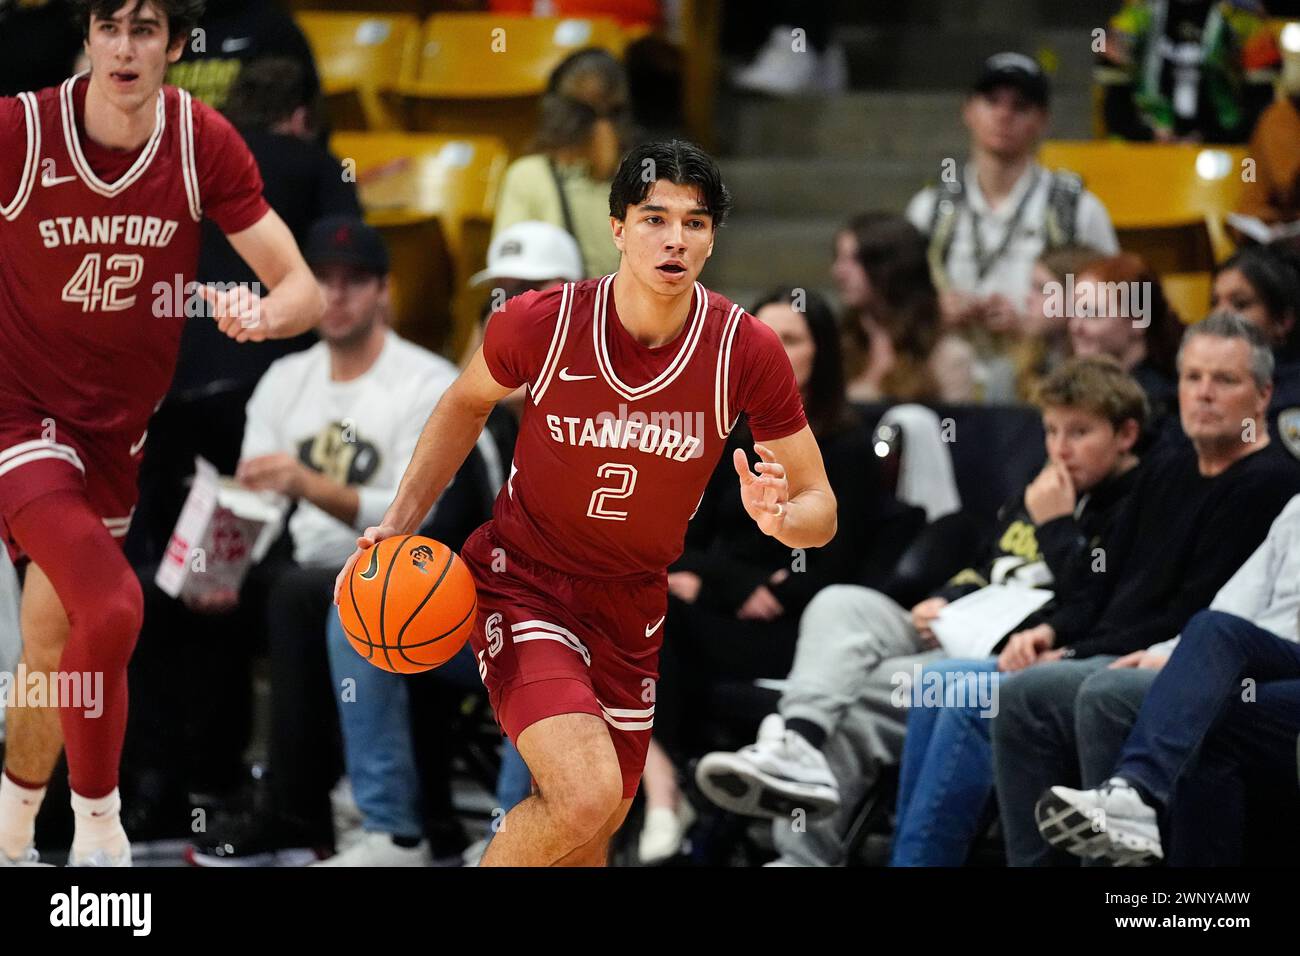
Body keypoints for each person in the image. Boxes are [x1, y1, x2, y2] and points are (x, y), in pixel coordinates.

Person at [334, 140, 839, 867]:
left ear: (712, 238)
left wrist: (785, 519)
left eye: (694, 223)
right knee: (584, 794)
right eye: (655, 218)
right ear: (617, 228)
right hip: (523, 582)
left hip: (632, 605)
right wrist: (401, 522)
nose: (674, 238)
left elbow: (822, 506)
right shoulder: (545, 320)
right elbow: (462, 403)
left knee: (588, 837)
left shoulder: (745, 350)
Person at [0, 0, 323, 868]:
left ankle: (9, 834)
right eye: (110, 26)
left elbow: (304, 290)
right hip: (20, 416)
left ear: (178, 46)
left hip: (117, 436)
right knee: (114, 604)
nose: (124, 47)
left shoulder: (199, 139)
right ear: (87, 36)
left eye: (146, 30)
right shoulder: (20, 133)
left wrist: (264, 314)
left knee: (51, 644)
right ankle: (101, 834)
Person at [695, 356, 1146, 867]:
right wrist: (946, 600)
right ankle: (796, 744)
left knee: (852, 701)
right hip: (957, 629)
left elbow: (1099, 605)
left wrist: (1058, 526)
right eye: (1050, 430)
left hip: (1005, 657)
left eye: (1079, 432)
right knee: (841, 604)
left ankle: (802, 851)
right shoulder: (1042, 488)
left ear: (1126, 434)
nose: (1059, 448)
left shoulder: (1134, 505)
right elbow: (985, 567)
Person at [181, 216, 461, 866]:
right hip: (298, 563)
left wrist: (309, 483)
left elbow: (421, 513)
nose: (335, 297)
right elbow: (253, 500)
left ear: (384, 291)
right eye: (323, 283)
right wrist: (209, 569)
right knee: (169, 597)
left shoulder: (425, 381)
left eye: (353, 282)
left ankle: (297, 809)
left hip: (399, 569)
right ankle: (190, 792)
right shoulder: (285, 379)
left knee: (301, 595)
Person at [979, 314, 1300, 868]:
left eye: (1223, 380)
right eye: (1192, 377)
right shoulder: (1169, 468)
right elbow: (1111, 586)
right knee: (1018, 693)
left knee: (1103, 691)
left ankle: (1131, 824)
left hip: (1250, 665)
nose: (1202, 394)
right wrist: (1057, 633)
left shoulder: (1270, 482)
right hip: (1178, 650)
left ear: (1264, 394)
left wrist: (1164, 659)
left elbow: (1200, 613)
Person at [640, 286, 918, 864]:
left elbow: (836, 569)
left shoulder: (845, 448)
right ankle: (662, 789)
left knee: (645, 621)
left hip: (793, 630)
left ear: (823, 356)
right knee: (628, 611)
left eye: (789, 340)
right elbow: (671, 542)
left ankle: (666, 797)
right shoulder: (722, 435)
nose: (770, 352)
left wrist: (722, 583)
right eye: (758, 340)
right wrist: (728, 583)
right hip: (720, 610)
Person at [1026, 492, 1300, 866]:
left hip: (1281, 657)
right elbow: (1234, 605)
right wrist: (1175, 655)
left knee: (1203, 667)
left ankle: (1137, 794)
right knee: (1213, 709)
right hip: (1268, 657)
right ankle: (1136, 804)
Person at [907, 53, 1119, 335]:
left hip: (1045, 369)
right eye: (991, 101)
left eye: (1020, 106)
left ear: (1042, 120)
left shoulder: (1077, 209)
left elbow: (1119, 305)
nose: (1003, 115)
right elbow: (899, 303)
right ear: (968, 110)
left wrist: (1040, 319)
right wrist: (933, 311)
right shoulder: (929, 209)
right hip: (952, 367)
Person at [492, 49, 630, 279]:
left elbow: (508, 277)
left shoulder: (527, 176)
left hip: (557, 312)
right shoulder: (648, 178)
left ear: (553, 110)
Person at [832, 213, 975, 402]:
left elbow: (957, 429)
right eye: (839, 259)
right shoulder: (836, 348)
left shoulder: (947, 356)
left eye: (855, 260)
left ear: (892, 266)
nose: (838, 272)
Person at [1096, 0, 1278, 143]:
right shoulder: (1138, 13)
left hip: (1224, 142)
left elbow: (1263, 103)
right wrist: (1148, 135)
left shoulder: (1243, 17)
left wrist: (1214, 137)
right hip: (1148, 141)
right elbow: (1114, 98)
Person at [1067, 252, 1183, 433]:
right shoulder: (1086, 389)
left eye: (1092, 314)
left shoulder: (1161, 408)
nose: (1075, 326)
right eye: (1073, 312)